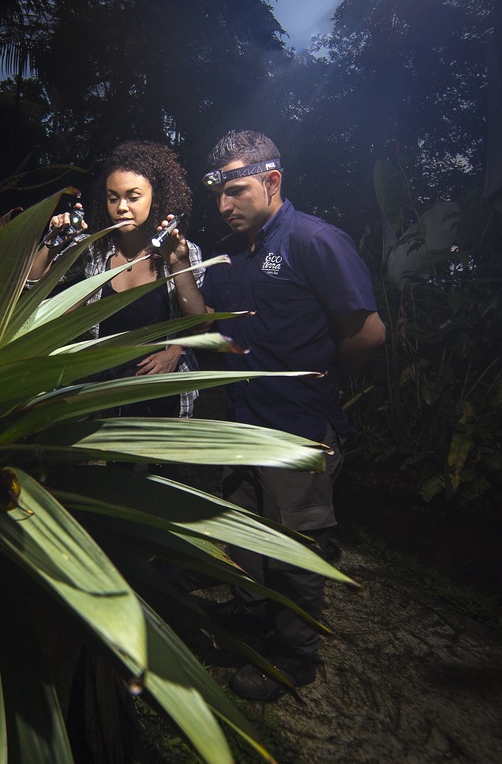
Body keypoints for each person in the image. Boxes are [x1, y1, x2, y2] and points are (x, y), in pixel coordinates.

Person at [198, 130, 386, 701]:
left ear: (272, 181)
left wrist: (323, 380)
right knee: (244, 528)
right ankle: (254, 613)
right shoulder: (230, 253)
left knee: (294, 547)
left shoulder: (315, 241)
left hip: (297, 429)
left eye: (235, 191)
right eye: (218, 194)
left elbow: (368, 334)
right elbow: (212, 321)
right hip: (242, 420)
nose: (224, 205)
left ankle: (293, 657)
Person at [28, 140, 209, 421]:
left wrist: (175, 350)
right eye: (113, 198)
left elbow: (199, 322)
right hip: (103, 390)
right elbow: (32, 284)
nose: (121, 207)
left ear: (156, 198)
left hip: (160, 392)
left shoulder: (184, 252)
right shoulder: (94, 250)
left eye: (133, 197)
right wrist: (53, 242)